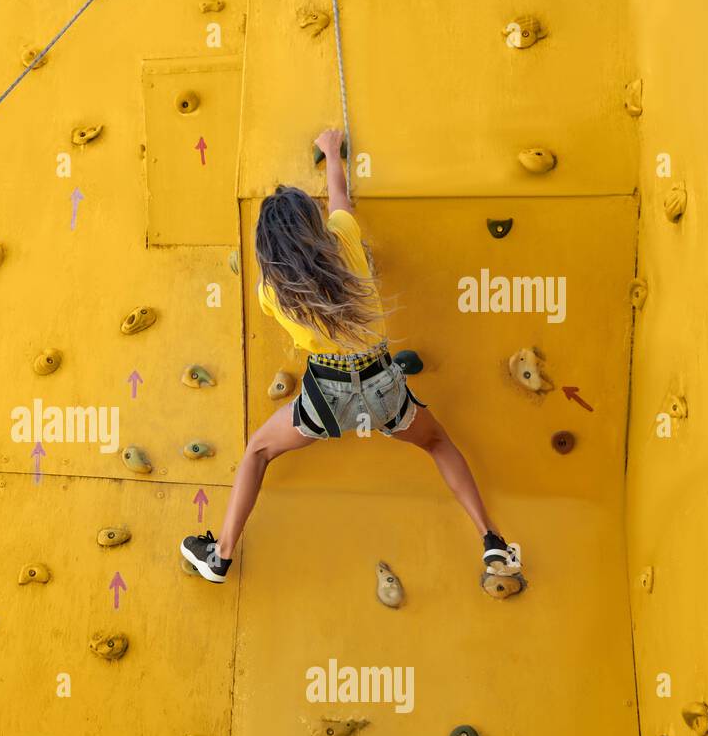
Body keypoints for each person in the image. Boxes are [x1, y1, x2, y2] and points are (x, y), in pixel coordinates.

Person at [180, 129, 520, 585]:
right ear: (312, 226)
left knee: (259, 451)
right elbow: (340, 195)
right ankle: (492, 541)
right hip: (383, 383)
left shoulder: (271, 294)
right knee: (438, 443)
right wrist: (332, 151)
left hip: (325, 397)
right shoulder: (343, 239)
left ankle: (220, 555)